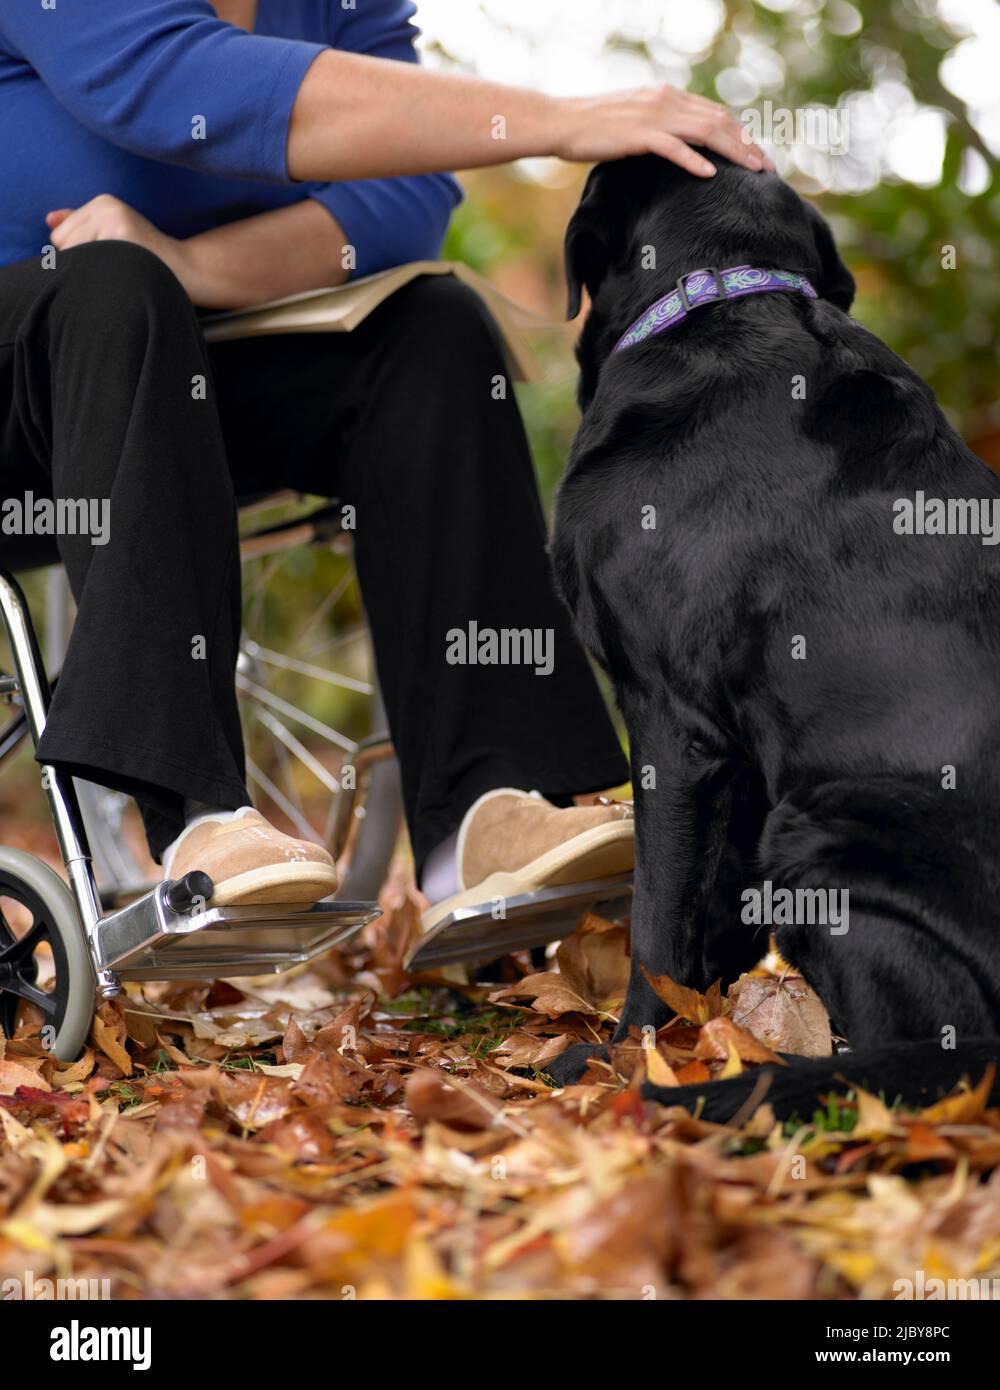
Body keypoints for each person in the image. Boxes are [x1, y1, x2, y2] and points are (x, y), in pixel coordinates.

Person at [0, 0, 769, 946]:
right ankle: (196, 817)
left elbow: (402, 197)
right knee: (117, 285)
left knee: (431, 327)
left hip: (177, 370)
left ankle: (484, 806)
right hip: (27, 384)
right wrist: (565, 119)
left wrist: (192, 261)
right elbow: (179, 87)